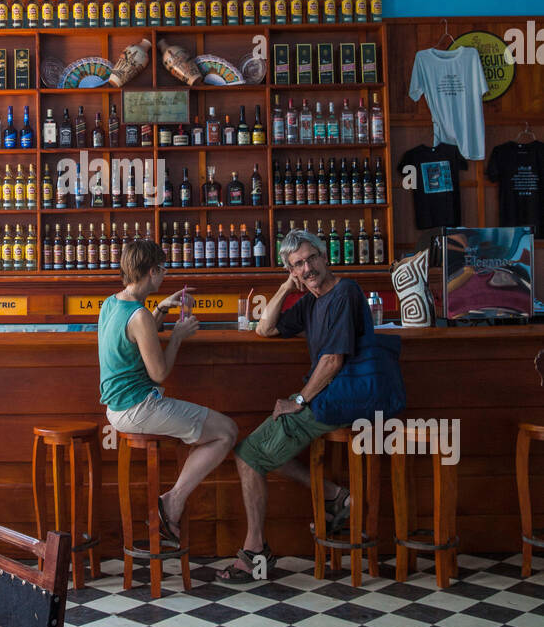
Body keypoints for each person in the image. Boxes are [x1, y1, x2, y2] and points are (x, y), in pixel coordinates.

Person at [219, 228, 404, 580]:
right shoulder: (312, 300)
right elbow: (265, 329)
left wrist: (300, 400)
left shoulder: (345, 292)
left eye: (310, 259)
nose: (307, 268)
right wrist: (288, 287)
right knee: (257, 451)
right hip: (331, 396)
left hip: (343, 399)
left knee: (248, 455)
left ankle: (256, 551)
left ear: (325, 256)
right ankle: (336, 496)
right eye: (297, 265)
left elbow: (333, 360)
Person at [99, 238, 238, 543]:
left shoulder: (111, 303)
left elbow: (136, 336)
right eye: (162, 270)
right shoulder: (140, 317)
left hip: (116, 409)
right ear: (152, 271)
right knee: (227, 431)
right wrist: (178, 336)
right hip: (138, 409)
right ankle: (172, 501)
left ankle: (172, 501)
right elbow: (159, 373)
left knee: (222, 430)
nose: (164, 277)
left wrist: (161, 307)